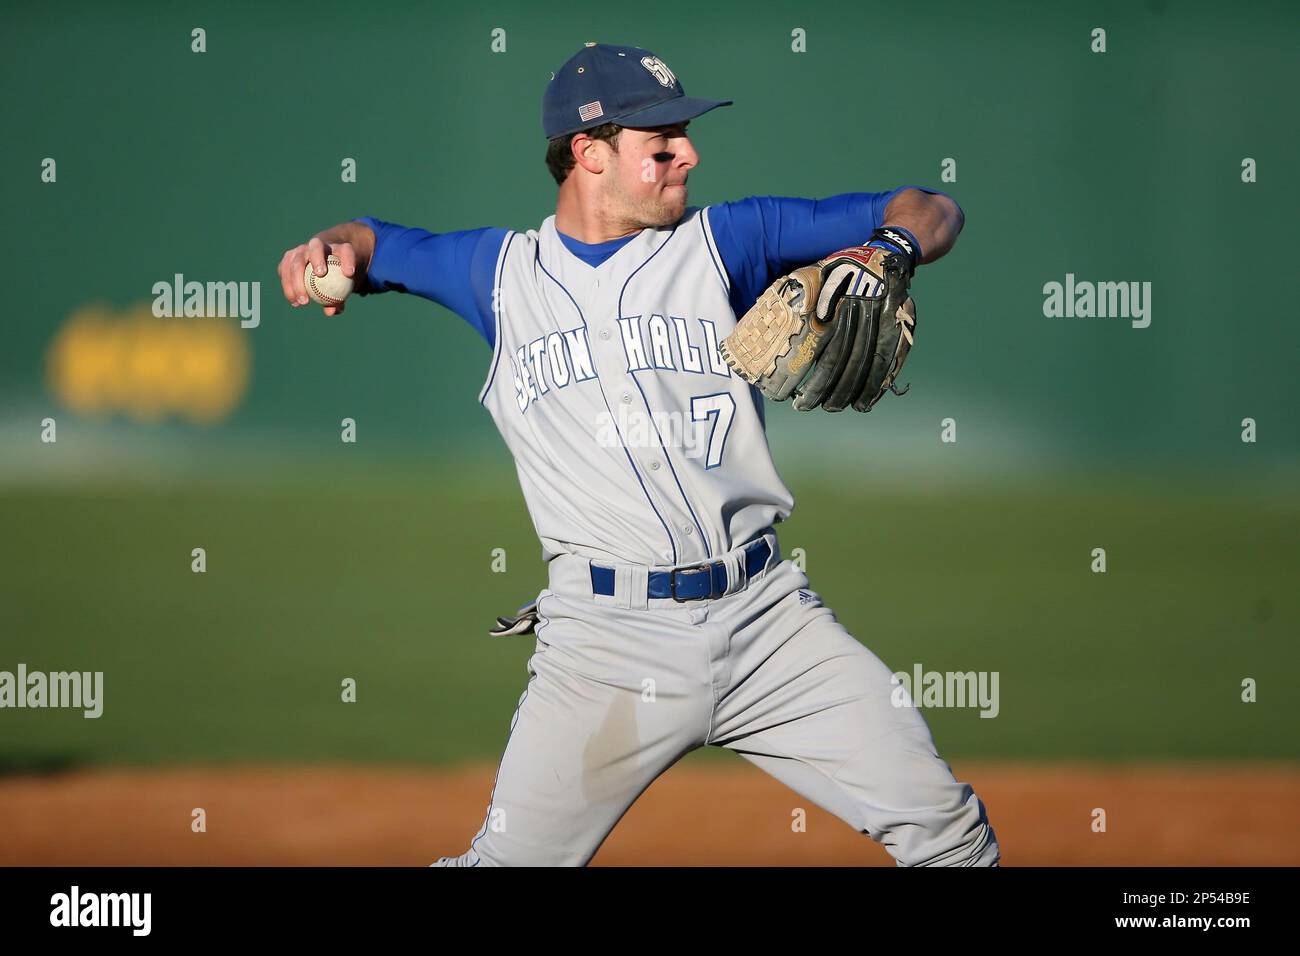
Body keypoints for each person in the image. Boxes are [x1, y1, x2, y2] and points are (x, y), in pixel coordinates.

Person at [276, 42, 997, 867]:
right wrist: (326, 247)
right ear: (589, 154)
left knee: (949, 836)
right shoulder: (500, 275)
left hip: (767, 622)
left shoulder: (729, 241)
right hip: (605, 646)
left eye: (683, 134)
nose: (687, 152)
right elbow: (371, 241)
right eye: (661, 143)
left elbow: (928, 203)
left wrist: (891, 250)